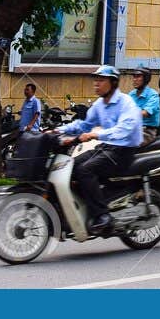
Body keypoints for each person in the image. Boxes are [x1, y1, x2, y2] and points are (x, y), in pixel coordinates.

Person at [59, 64, 145, 235]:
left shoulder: (126, 103)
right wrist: (59, 130)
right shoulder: (99, 104)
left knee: (85, 170)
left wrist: (95, 135)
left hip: (123, 151)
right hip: (107, 147)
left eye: (101, 80)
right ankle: (85, 208)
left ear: (113, 83)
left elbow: (124, 130)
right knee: (71, 166)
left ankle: (102, 216)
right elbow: (84, 125)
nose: (96, 84)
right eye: (95, 80)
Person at [130, 70, 160, 142]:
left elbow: (145, 113)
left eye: (138, 77)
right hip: (132, 128)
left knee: (123, 143)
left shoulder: (153, 95)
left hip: (147, 131)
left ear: (146, 79)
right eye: (134, 77)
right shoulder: (132, 94)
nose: (134, 79)